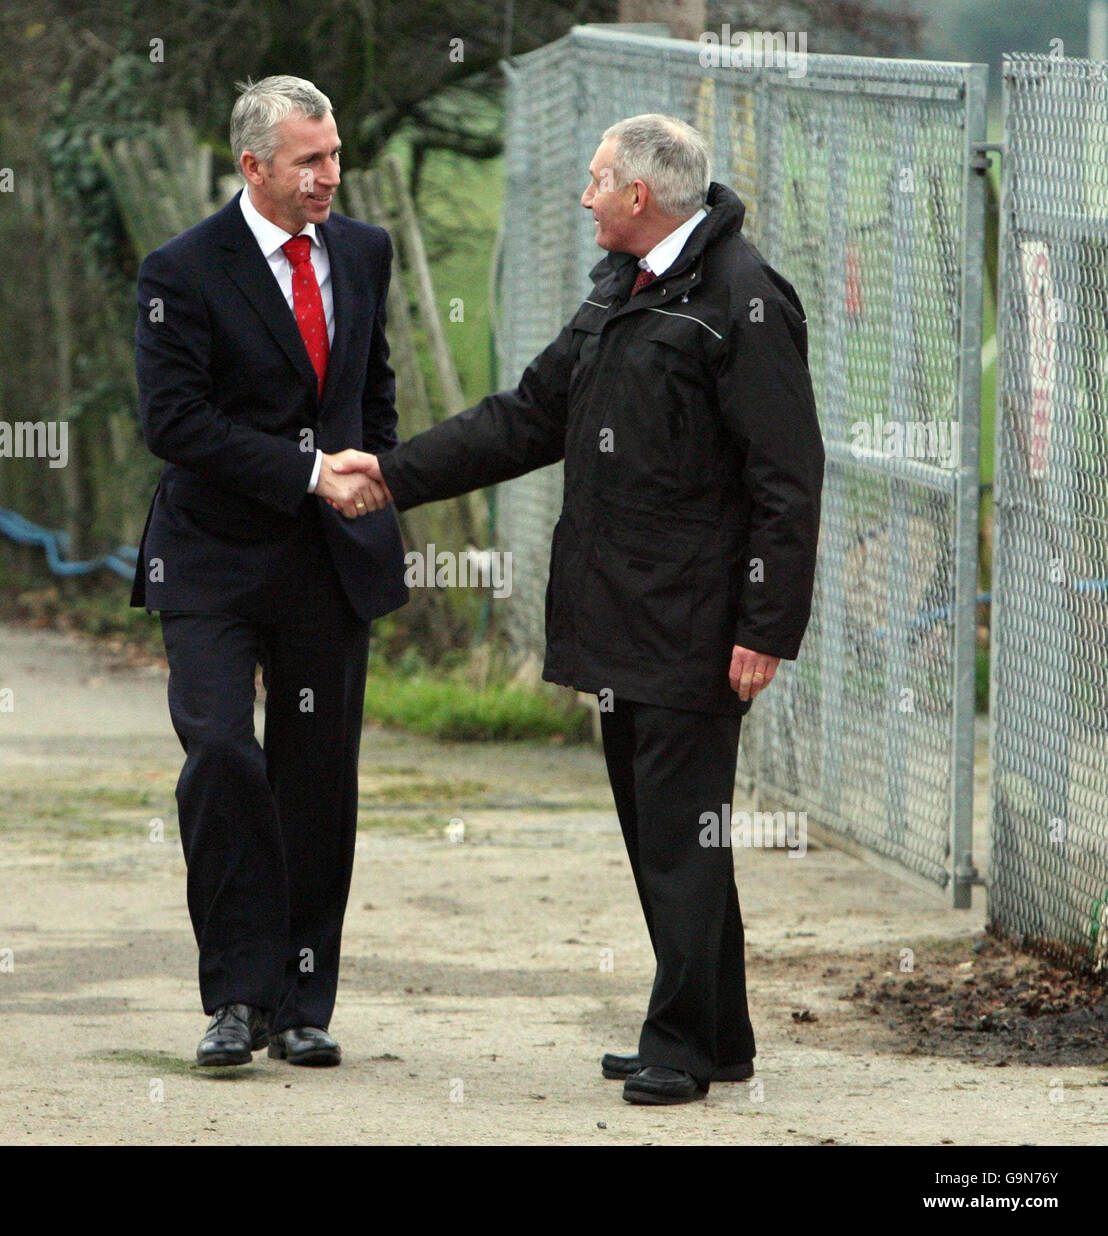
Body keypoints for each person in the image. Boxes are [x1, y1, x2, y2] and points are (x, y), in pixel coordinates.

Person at [335, 114, 824, 1104]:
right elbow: (525, 417)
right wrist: (390, 474)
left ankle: (678, 1045)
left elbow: (788, 473)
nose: (586, 195)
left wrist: (764, 626)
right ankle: (720, 1033)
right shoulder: (622, 293)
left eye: (597, 180)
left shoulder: (741, 299)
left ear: (640, 196)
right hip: (622, 617)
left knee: (679, 836)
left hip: (693, 621)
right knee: (665, 829)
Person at [129, 75, 408, 1069]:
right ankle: (232, 998)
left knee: (315, 780)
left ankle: (298, 1005)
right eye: (309, 160)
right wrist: (306, 472)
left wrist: (371, 472)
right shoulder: (182, 271)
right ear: (254, 166)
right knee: (220, 754)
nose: (329, 176)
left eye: (334, 155)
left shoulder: (363, 253)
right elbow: (175, 423)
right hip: (210, 559)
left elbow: (370, 388)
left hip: (329, 564)